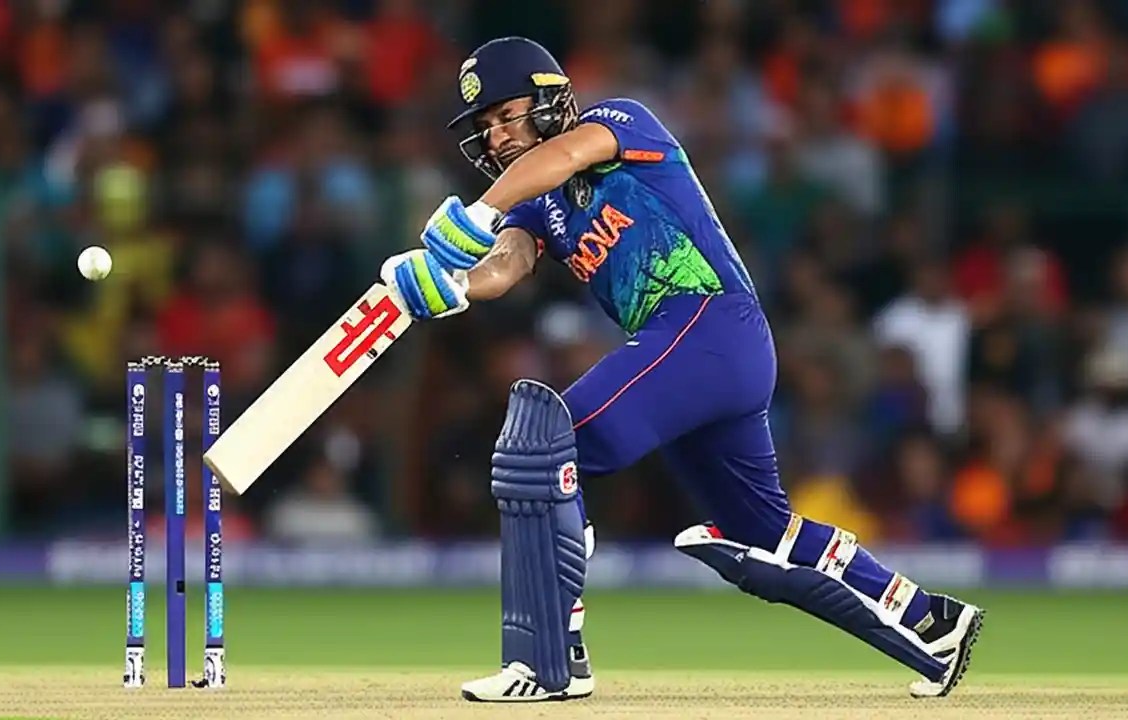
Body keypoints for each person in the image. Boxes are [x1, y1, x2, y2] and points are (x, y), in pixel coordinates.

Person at [380, 37, 984, 703]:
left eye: (504, 115)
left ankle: (555, 660)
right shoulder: (530, 207)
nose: (494, 138)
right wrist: (451, 282)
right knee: (765, 535)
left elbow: (564, 157)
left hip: (709, 327)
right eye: (485, 128)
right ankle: (930, 621)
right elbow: (506, 264)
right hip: (701, 357)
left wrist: (478, 212)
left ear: (550, 99)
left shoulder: (616, 123)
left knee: (544, 445)